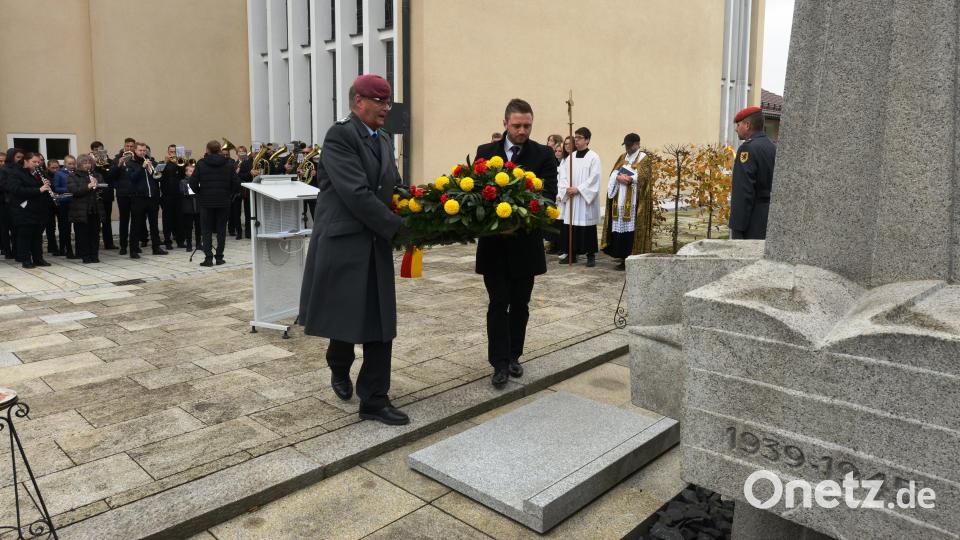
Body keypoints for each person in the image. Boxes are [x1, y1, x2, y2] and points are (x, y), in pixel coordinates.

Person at [299, 74, 410, 426]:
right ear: (358, 101)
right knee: (345, 320)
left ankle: (374, 398)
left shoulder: (383, 139)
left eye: (388, 101)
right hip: (345, 242)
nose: (386, 107)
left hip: (374, 239)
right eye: (380, 101)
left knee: (380, 320)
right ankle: (338, 363)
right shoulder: (340, 135)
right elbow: (356, 194)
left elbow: (391, 183)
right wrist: (398, 227)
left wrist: (419, 204)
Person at [474, 98, 558, 389]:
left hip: (525, 244)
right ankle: (498, 363)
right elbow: (476, 196)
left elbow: (547, 194)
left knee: (520, 303)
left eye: (527, 125)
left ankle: (513, 355)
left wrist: (519, 220)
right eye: (517, 125)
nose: (522, 131)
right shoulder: (485, 153)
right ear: (505, 124)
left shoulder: (544, 154)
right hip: (495, 246)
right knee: (498, 303)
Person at [601, 133, 655, 270]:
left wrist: (631, 179)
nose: (628, 148)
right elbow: (613, 172)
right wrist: (617, 177)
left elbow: (645, 177)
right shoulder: (622, 157)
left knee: (631, 228)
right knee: (619, 227)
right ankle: (622, 257)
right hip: (619, 199)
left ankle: (632, 256)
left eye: (630, 145)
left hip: (634, 201)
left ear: (638, 144)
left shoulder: (644, 158)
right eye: (626, 145)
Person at [189, 140, 239, 266]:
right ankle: (219, 257)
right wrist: (229, 195)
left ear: (208, 150)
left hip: (206, 202)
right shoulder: (228, 163)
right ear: (220, 150)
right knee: (221, 230)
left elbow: (192, 183)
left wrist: (200, 193)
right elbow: (236, 183)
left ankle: (208, 258)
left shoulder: (201, 163)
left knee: (206, 230)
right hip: (224, 201)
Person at [557, 127, 602, 266]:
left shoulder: (593, 157)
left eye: (579, 137)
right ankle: (572, 254)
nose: (576, 140)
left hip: (584, 198)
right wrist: (566, 189)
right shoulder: (570, 157)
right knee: (571, 226)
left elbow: (595, 178)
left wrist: (578, 189)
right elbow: (563, 176)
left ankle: (590, 255)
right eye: (575, 137)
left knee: (587, 227)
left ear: (587, 140)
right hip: (571, 197)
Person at [730, 105, 776, 239]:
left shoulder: (747, 149)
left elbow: (743, 192)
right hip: (770, 218)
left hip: (752, 222)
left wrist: (737, 228)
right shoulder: (772, 147)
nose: (736, 129)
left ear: (747, 125)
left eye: (738, 125)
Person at [8, 153, 53, 268]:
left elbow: (45, 188)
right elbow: (17, 190)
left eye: (39, 162)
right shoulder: (16, 173)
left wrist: (48, 185)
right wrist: (39, 189)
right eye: (34, 162)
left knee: (37, 236)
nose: (37, 164)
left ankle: (38, 258)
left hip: (39, 209)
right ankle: (26, 260)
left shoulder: (40, 173)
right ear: (26, 161)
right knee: (25, 236)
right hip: (24, 209)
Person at [124, 142, 167, 258]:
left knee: (154, 224)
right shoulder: (130, 164)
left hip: (152, 197)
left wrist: (153, 170)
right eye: (140, 151)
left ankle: (156, 247)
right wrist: (142, 168)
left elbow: (157, 178)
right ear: (135, 151)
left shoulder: (151, 161)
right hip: (138, 198)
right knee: (136, 224)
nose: (143, 152)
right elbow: (132, 178)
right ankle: (133, 250)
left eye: (144, 151)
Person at [67, 155, 104, 264]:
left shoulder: (96, 175)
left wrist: (99, 186)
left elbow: (103, 188)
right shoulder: (73, 176)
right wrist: (87, 186)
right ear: (79, 164)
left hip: (95, 208)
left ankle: (94, 255)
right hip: (81, 210)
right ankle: (85, 256)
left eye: (89, 163)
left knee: (95, 234)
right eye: (85, 163)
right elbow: (74, 190)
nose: (88, 165)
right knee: (82, 235)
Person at [90, 141, 116, 249]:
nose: (98, 152)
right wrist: (94, 162)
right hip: (93, 194)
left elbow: (109, 174)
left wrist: (103, 162)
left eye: (100, 149)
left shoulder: (108, 161)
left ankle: (109, 243)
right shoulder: (88, 160)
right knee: (94, 220)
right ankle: (93, 243)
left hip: (106, 194)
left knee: (106, 220)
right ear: (92, 150)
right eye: (96, 150)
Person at [113, 137, 136, 254]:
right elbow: (112, 176)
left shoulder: (137, 159)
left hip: (136, 194)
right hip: (123, 194)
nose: (129, 148)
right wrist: (119, 164)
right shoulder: (117, 159)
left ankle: (134, 245)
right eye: (127, 146)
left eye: (132, 146)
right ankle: (123, 246)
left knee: (136, 221)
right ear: (124, 146)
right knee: (124, 220)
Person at [159, 144, 185, 249]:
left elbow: (183, 175)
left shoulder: (181, 163)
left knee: (180, 219)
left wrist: (179, 164)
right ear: (168, 152)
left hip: (179, 195)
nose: (172, 154)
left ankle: (180, 241)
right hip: (166, 195)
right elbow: (157, 176)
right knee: (167, 219)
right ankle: (167, 241)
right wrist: (165, 163)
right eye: (171, 152)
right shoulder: (162, 163)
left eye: (174, 152)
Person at [53, 155, 78, 259]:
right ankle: (67, 250)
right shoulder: (59, 173)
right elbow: (56, 188)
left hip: (75, 203)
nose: (72, 166)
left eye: (73, 163)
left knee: (77, 227)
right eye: (69, 164)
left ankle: (77, 250)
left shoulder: (77, 173)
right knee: (65, 228)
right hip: (64, 203)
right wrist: (69, 189)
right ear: (65, 163)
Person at [0, 148, 23, 259]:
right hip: (6, 203)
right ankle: (7, 251)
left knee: (16, 228)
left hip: (18, 202)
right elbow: (2, 185)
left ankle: (17, 250)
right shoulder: (4, 169)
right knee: (5, 228)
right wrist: (15, 187)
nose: (20, 159)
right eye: (18, 157)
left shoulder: (20, 168)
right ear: (11, 157)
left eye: (21, 157)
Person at [180, 164, 201, 251]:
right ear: (186, 172)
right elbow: (183, 192)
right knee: (188, 227)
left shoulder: (198, 181)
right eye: (191, 171)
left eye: (194, 171)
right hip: (188, 208)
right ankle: (189, 244)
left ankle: (199, 244)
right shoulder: (183, 181)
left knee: (198, 227)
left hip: (198, 207)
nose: (193, 173)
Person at [42, 157, 59, 255]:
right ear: (48, 168)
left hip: (58, 203)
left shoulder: (59, 175)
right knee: (50, 226)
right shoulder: (45, 175)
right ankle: (52, 246)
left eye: (57, 168)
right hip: (48, 204)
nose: (55, 170)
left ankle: (57, 246)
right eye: (53, 168)